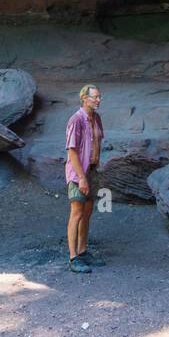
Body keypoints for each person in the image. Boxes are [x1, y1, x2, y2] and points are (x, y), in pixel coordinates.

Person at [65, 83, 104, 274]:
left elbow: (98, 141)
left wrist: (94, 170)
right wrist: (81, 178)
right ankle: (73, 257)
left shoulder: (96, 118)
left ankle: (83, 250)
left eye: (99, 97)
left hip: (92, 171)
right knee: (77, 212)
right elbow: (72, 151)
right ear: (84, 98)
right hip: (78, 173)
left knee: (88, 211)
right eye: (95, 97)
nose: (98, 100)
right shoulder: (76, 120)